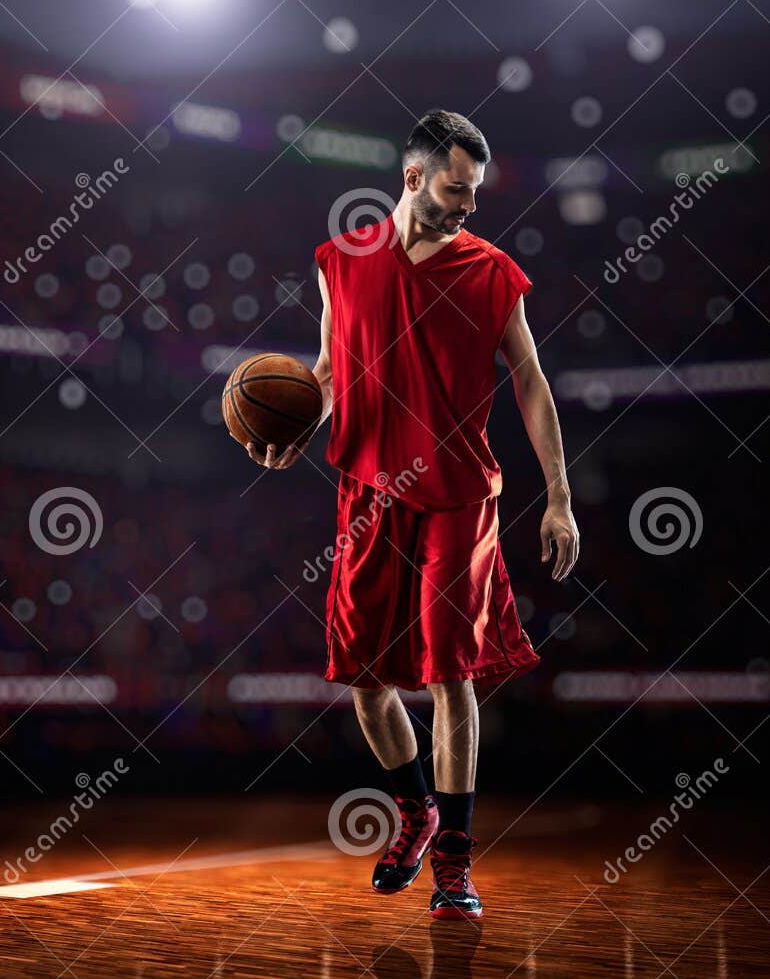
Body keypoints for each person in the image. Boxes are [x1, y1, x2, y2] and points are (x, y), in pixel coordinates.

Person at [245, 109, 579, 919]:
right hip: (367, 493)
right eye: (455, 188)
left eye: (474, 193)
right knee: (363, 681)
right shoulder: (340, 260)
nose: (468, 205)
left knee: (448, 678)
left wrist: (559, 496)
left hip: (460, 496)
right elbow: (327, 370)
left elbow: (530, 381)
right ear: (412, 177)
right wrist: (300, 425)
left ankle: (456, 867)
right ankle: (416, 811)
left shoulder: (494, 271)